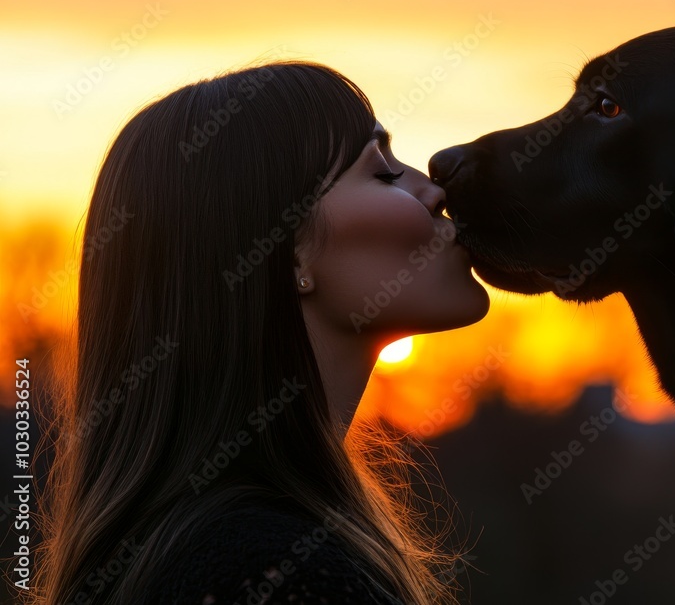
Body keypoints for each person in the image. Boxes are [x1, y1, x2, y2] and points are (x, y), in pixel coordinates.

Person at [35, 62, 491, 605]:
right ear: (284, 248)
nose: (435, 187)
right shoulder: (271, 573)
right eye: (383, 172)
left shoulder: (216, 552)